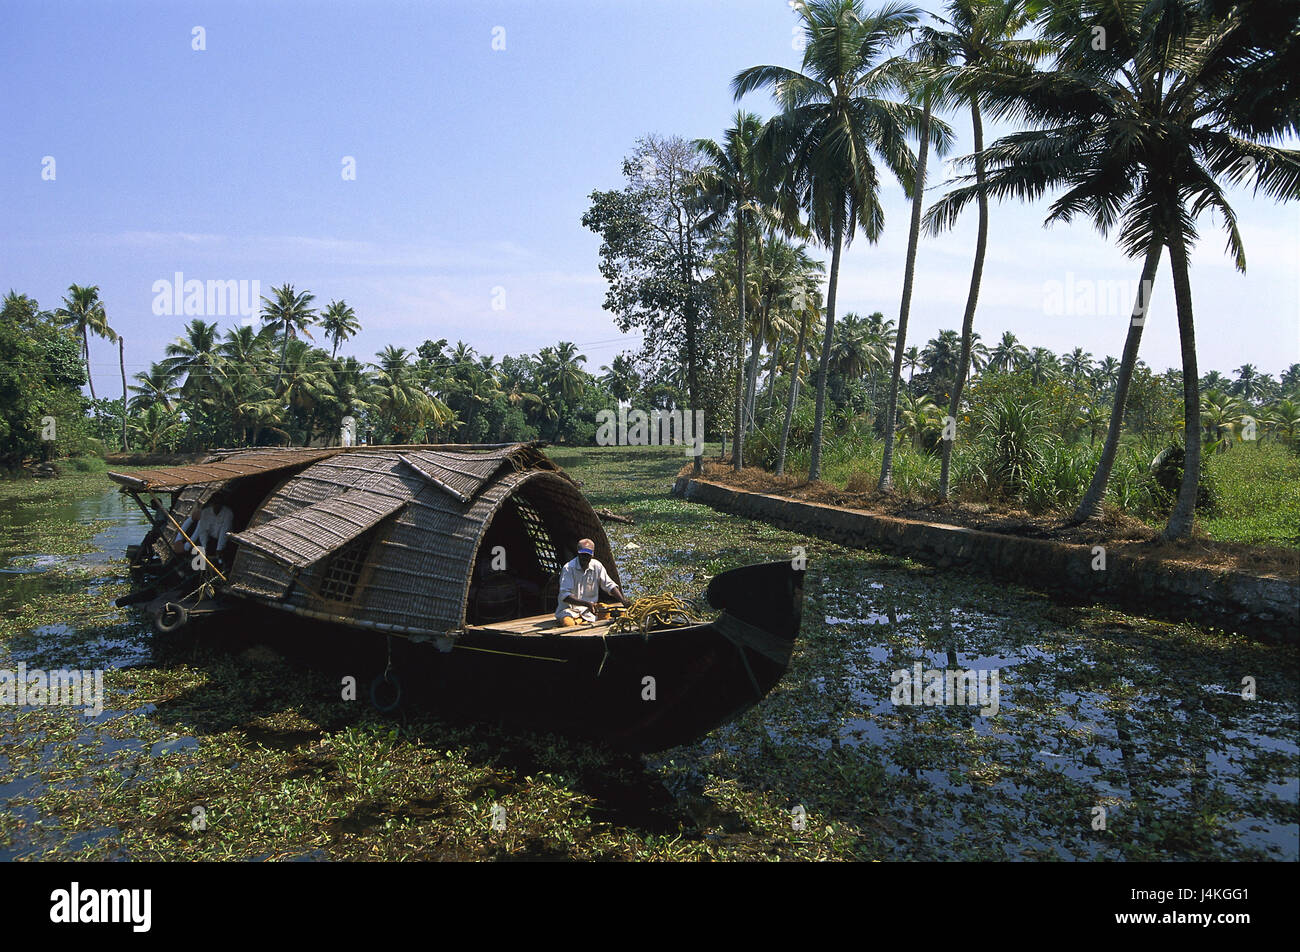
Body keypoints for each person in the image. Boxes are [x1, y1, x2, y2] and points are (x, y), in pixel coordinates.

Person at [555, 539, 629, 627]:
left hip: (591, 610)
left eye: (587, 555)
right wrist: (586, 603)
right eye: (582, 554)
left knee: (621, 614)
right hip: (570, 611)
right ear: (578, 553)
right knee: (568, 623)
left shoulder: (597, 566)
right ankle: (580, 621)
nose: (585, 557)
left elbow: (610, 585)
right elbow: (565, 596)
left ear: (592, 555)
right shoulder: (568, 568)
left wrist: (623, 601)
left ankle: (583, 620)